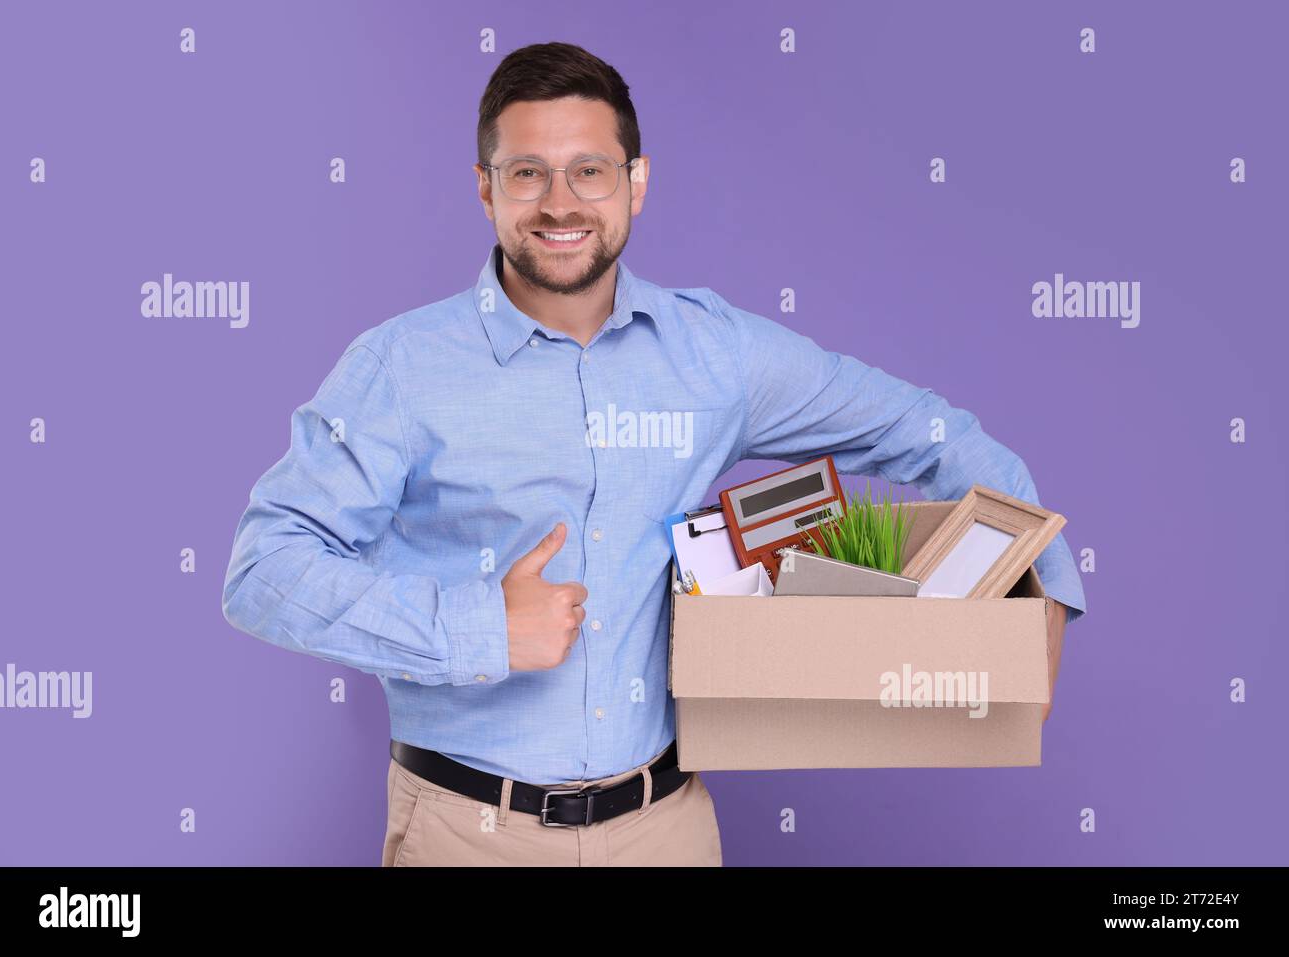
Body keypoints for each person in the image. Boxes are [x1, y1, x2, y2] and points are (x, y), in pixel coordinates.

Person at [221, 41, 1086, 867]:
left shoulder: (716, 358)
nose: (560, 203)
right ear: (486, 191)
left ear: (637, 182)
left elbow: (928, 432)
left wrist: (1044, 596)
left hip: (664, 831)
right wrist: (482, 627)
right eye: (528, 173)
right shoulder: (399, 369)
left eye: (590, 170)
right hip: (468, 831)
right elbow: (263, 568)